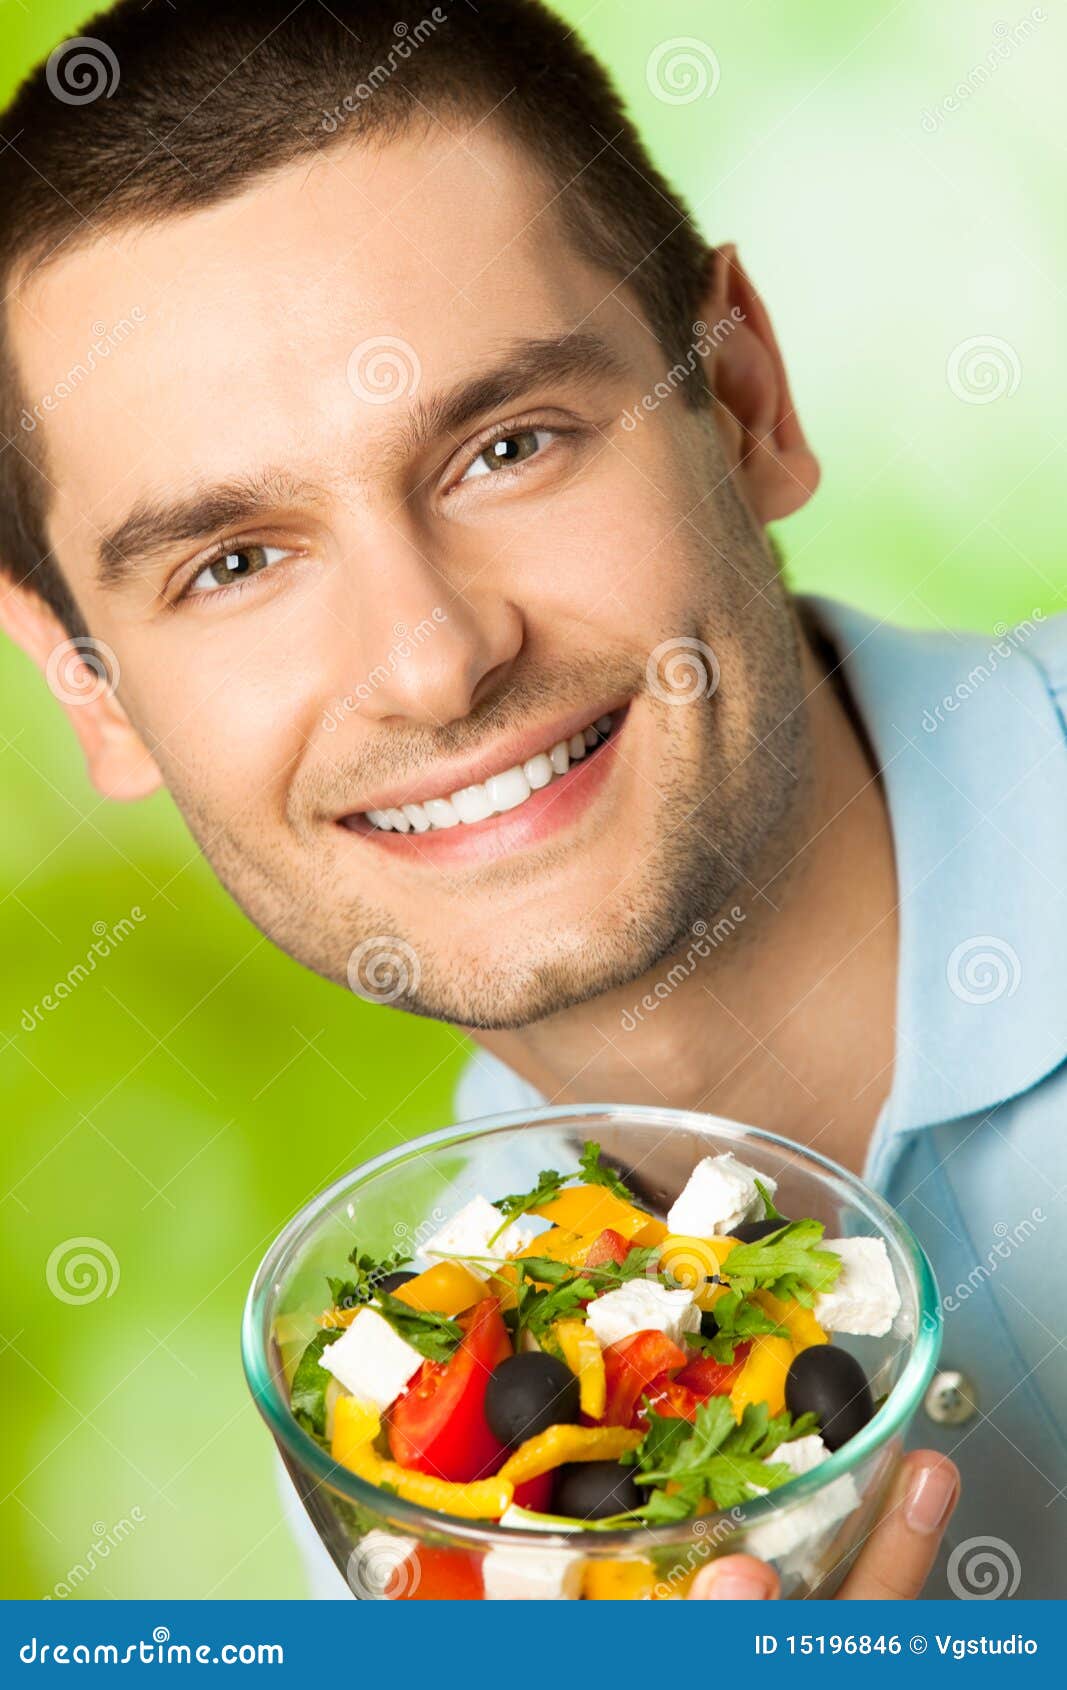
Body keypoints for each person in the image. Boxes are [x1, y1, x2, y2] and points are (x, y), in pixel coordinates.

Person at [2, 0, 1062, 1600]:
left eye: (509, 446)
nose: (432, 663)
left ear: (747, 400)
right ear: (88, 683)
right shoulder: (411, 1467)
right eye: (234, 563)